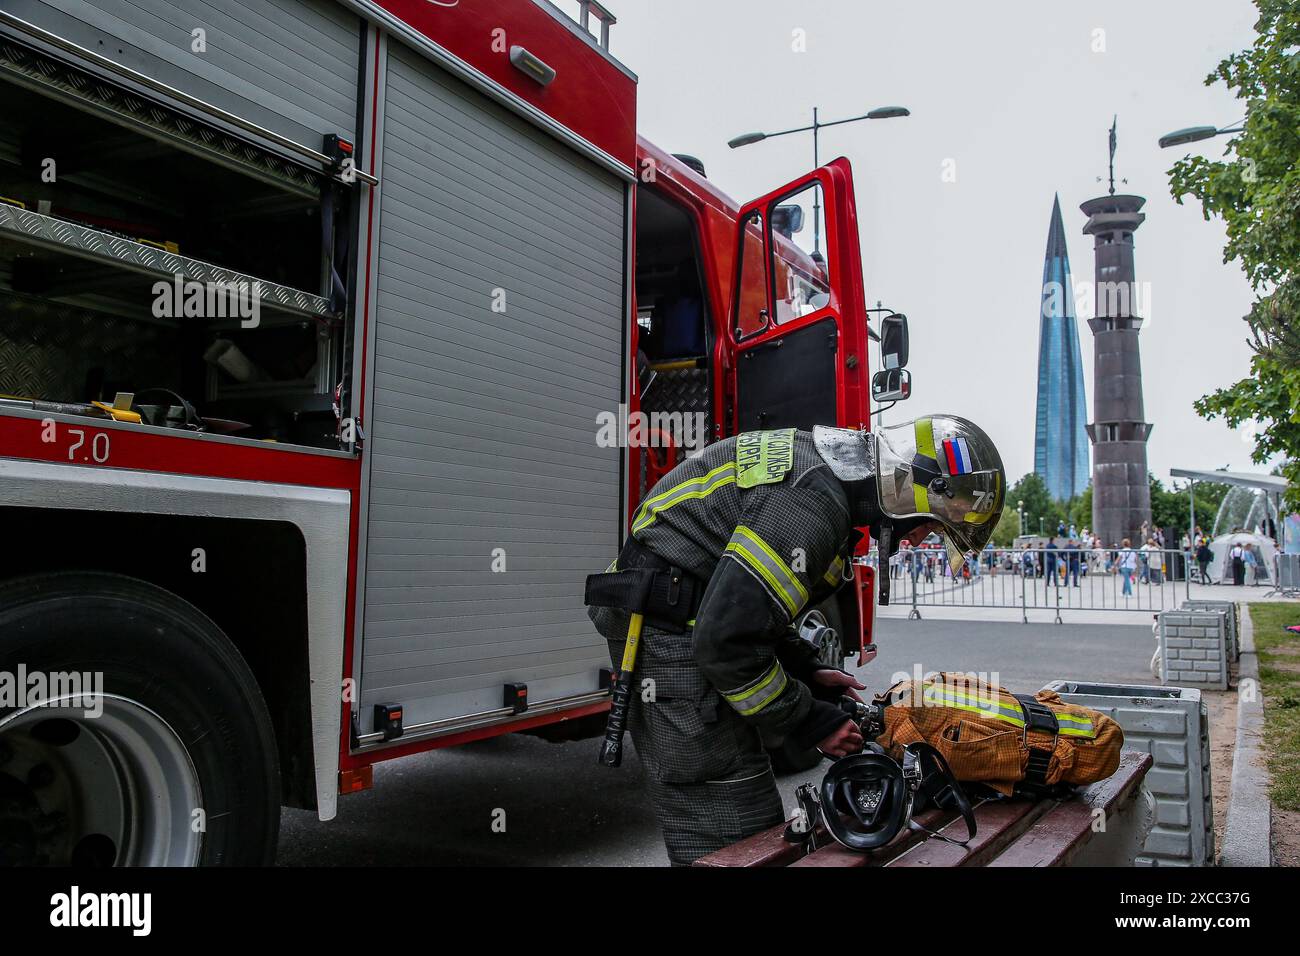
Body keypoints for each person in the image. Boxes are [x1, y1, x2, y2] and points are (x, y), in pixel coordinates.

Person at [585, 417, 1006, 864]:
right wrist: (809, 721)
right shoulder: (812, 503)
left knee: (745, 819)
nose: (920, 541)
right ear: (912, 489)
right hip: (668, 640)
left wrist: (805, 670)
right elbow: (726, 641)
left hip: (675, 622)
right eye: (931, 527)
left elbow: (745, 608)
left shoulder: (820, 476)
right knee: (732, 819)